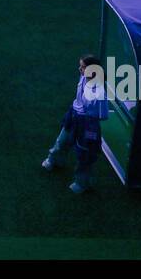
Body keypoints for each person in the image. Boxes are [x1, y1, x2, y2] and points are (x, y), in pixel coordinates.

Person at [42, 54, 109, 194]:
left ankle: (81, 183)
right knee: (62, 139)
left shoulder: (99, 91)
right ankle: (54, 160)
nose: (80, 69)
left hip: (87, 124)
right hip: (73, 115)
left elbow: (103, 115)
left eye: (83, 67)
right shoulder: (84, 76)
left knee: (85, 154)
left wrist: (88, 116)